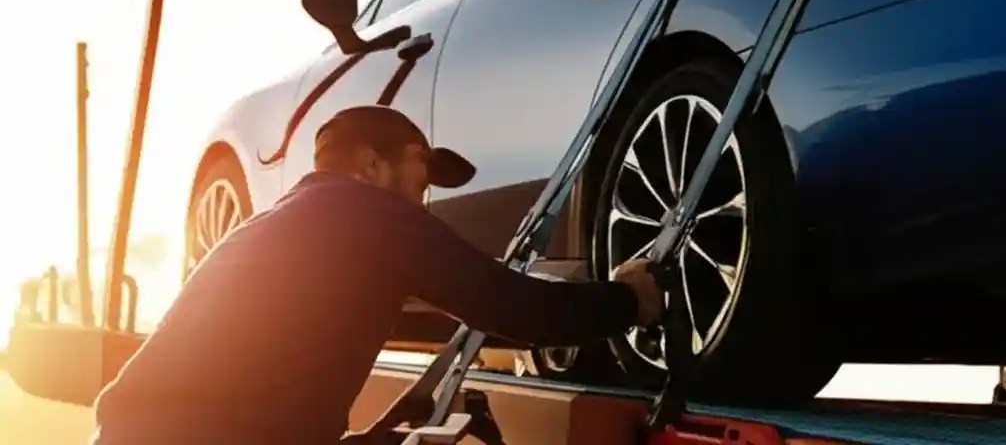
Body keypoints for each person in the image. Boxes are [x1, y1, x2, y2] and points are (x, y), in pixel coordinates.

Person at [90, 104, 664, 445]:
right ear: (370, 165)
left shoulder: (264, 232)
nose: (423, 197)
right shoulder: (366, 212)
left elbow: (239, 395)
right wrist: (627, 301)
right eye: (419, 172)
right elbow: (517, 310)